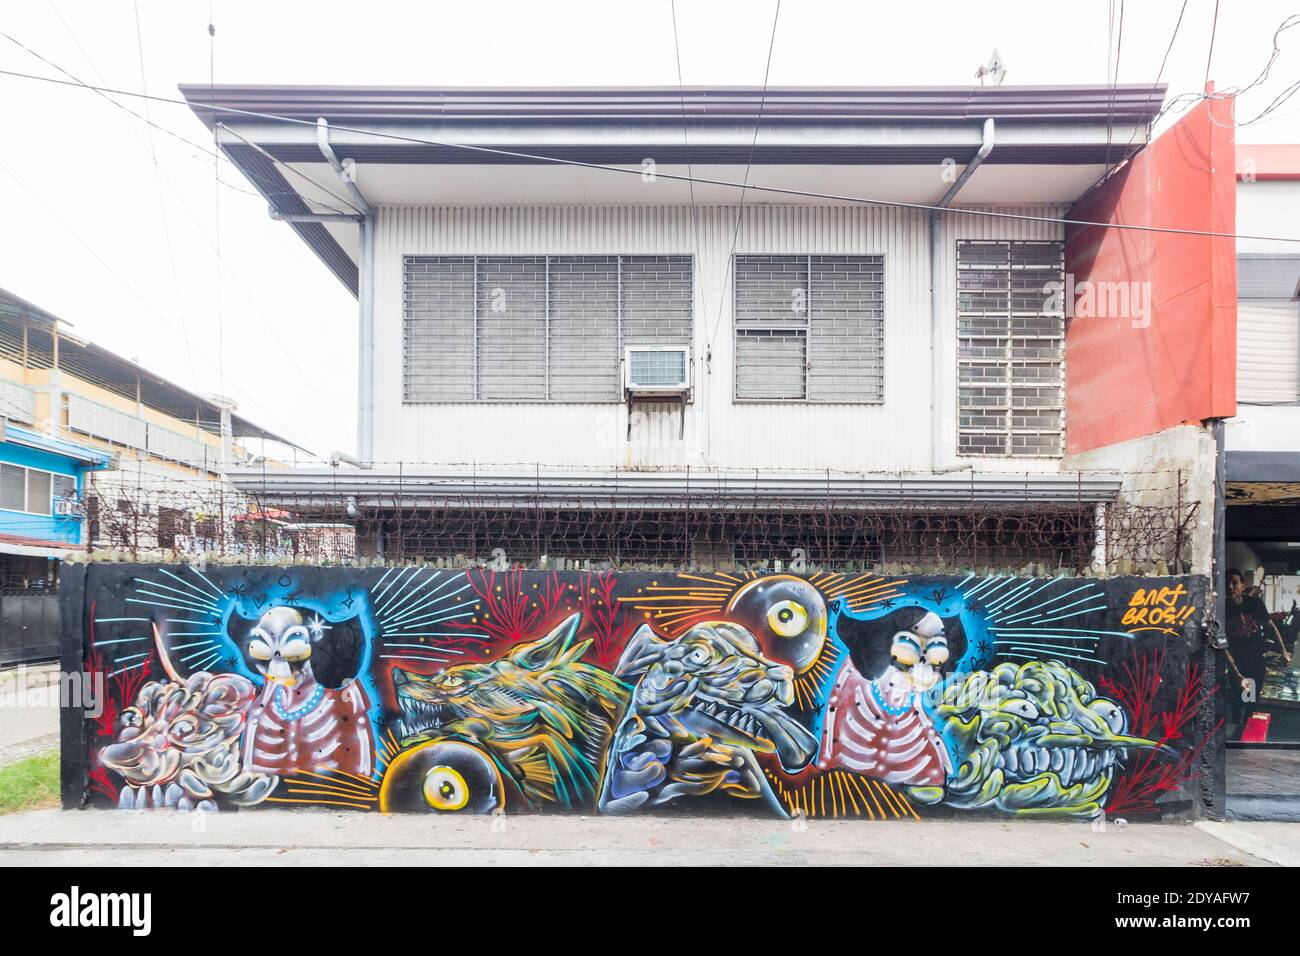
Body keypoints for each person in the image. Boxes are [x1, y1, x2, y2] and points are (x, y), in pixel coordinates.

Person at [1225, 569, 1292, 738]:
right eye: (1227, 582)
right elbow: (1222, 644)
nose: (1230, 586)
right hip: (1235, 663)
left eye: (1234, 582)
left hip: (1254, 662)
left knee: (1250, 702)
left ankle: (1243, 736)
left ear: (1242, 585)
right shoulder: (1222, 608)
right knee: (1238, 701)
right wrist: (1236, 673)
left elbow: (1271, 627)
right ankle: (1236, 736)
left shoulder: (1254, 604)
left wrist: (1283, 651)